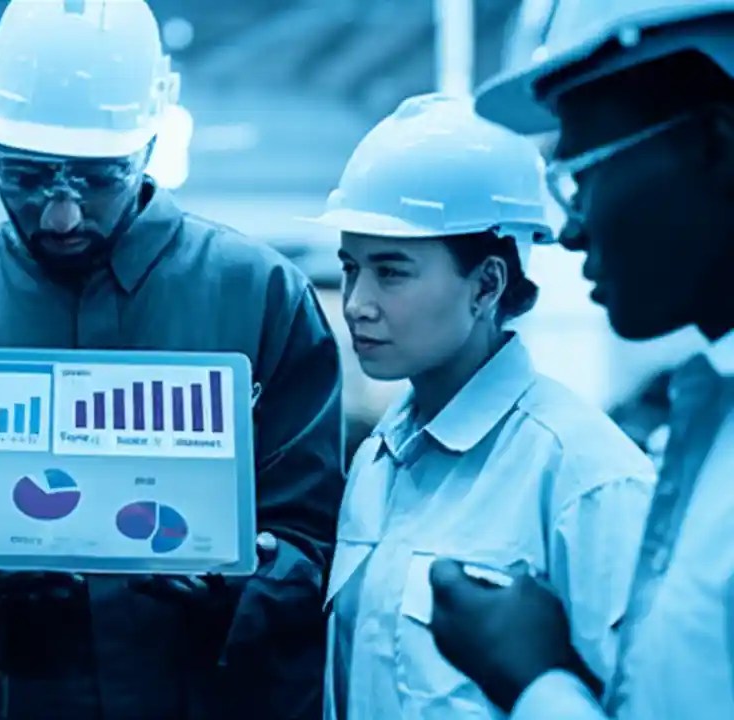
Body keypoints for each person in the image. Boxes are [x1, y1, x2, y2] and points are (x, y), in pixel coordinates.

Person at [0, 1, 345, 718]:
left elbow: (319, 533)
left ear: (150, 142)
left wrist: (246, 585)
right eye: (23, 175)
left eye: (95, 178)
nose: (60, 214)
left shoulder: (261, 294)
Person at [426, 2, 734, 719]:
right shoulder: (712, 420)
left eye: (580, 173)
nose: (567, 230)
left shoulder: (585, 460)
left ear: (717, 145)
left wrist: (537, 681)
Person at [308, 93, 655, 719]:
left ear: (487, 285)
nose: (357, 302)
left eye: (391, 272)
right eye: (350, 268)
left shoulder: (586, 478)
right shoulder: (379, 463)